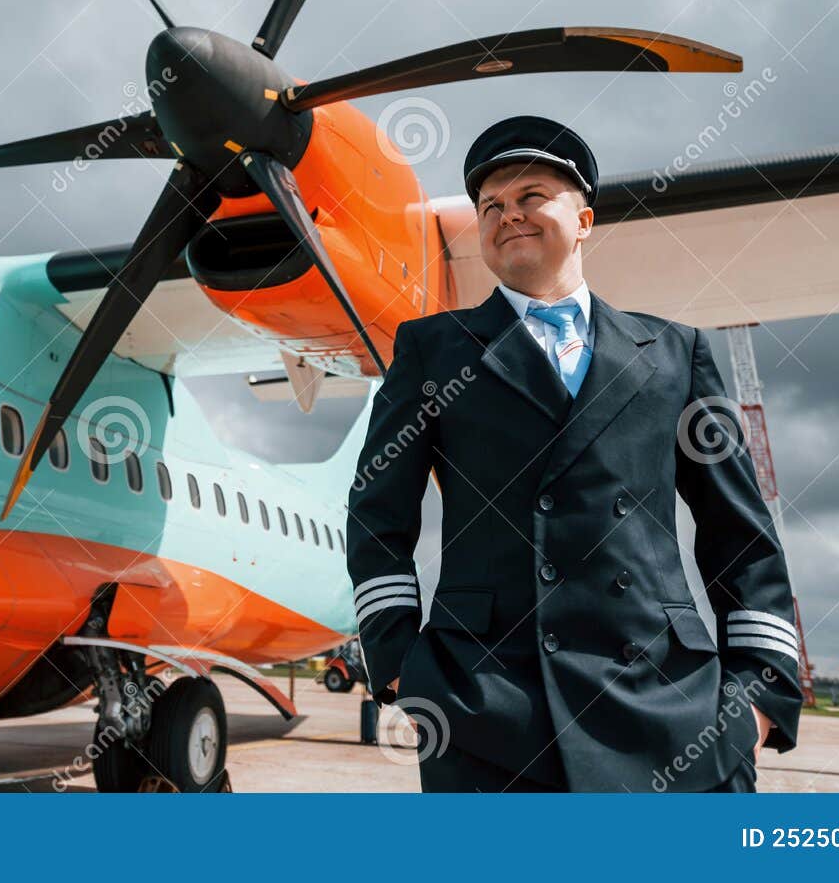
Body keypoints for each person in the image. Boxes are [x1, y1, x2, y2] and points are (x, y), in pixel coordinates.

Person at [344, 115, 803, 792]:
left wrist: (755, 702)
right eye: (491, 206)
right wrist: (400, 666)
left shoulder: (677, 353)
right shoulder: (430, 351)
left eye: (531, 196)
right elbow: (375, 514)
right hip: (488, 709)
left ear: (583, 218)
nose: (508, 215)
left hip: (674, 712)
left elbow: (743, 534)